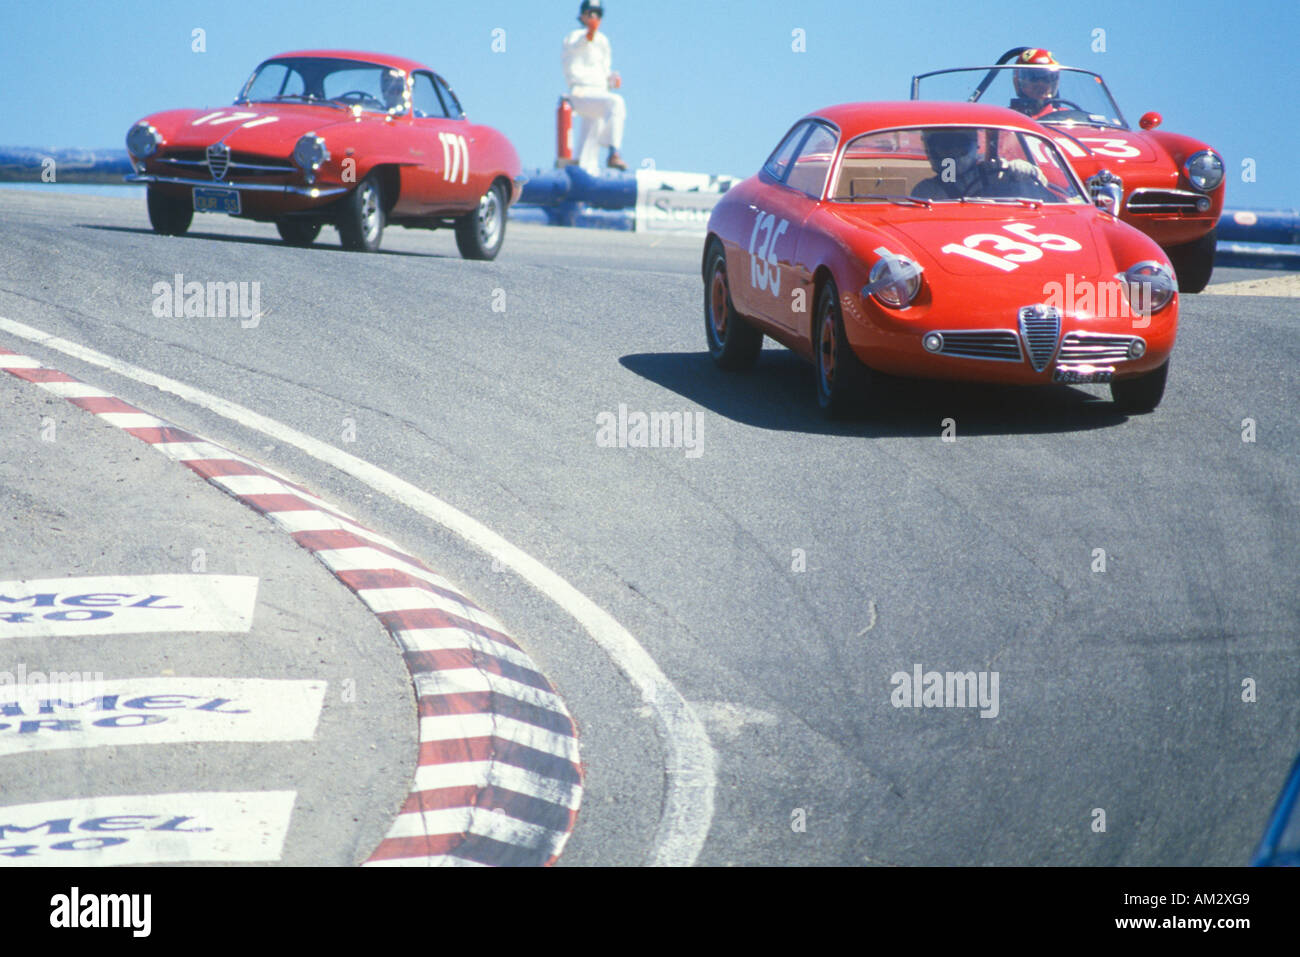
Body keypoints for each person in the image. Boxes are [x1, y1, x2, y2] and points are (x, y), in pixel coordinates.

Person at [562, 1, 628, 170]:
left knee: (588, 155)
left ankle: (582, 170)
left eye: (598, 14)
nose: (594, 17)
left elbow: (605, 70)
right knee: (616, 103)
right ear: (583, 16)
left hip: (598, 96)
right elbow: (579, 44)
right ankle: (613, 152)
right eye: (590, 13)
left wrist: (612, 79)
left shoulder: (603, 41)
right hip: (581, 93)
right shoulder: (574, 36)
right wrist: (589, 32)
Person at [911, 127, 1050, 201]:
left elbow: (1042, 185)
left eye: (959, 144)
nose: (952, 151)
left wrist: (1030, 171)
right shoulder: (926, 190)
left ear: (974, 145)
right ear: (932, 149)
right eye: (944, 145)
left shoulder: (995, 171)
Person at [1009, 48, 1063, 119]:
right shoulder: (1007, 117)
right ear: (1019, 81)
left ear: (1054, 83)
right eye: (1033, 77)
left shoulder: (1066, 117)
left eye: (1047, 78)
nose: (1040, 84)